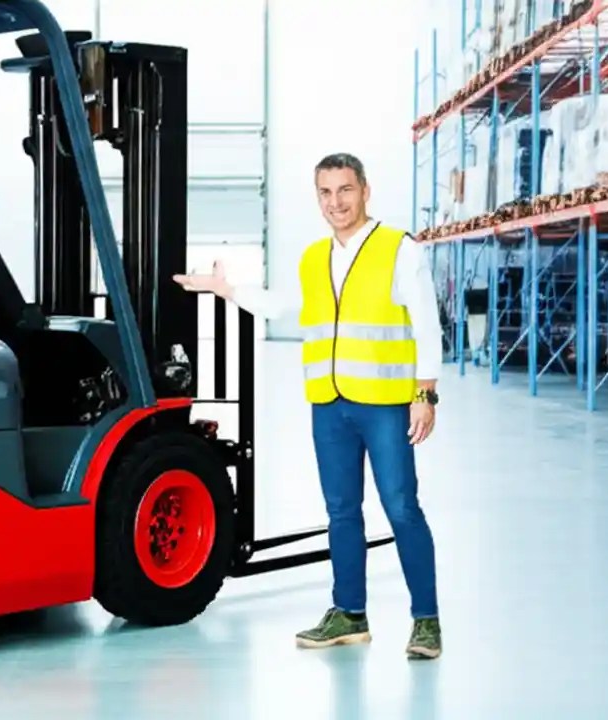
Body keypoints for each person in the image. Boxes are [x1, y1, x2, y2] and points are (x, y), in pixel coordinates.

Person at [173, 152, 443, 660]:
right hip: (330, 403)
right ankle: (349, 613)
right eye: (325, 192)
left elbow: (427, 325)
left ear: (365, 190)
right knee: (341, 511)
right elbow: (283, 306)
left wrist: (424, 395)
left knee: (402, 508)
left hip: (385, 404)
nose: (336, 202)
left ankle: (425, 620)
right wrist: (225, 290)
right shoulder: (315, 257)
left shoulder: (398, 250)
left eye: (345, 190)